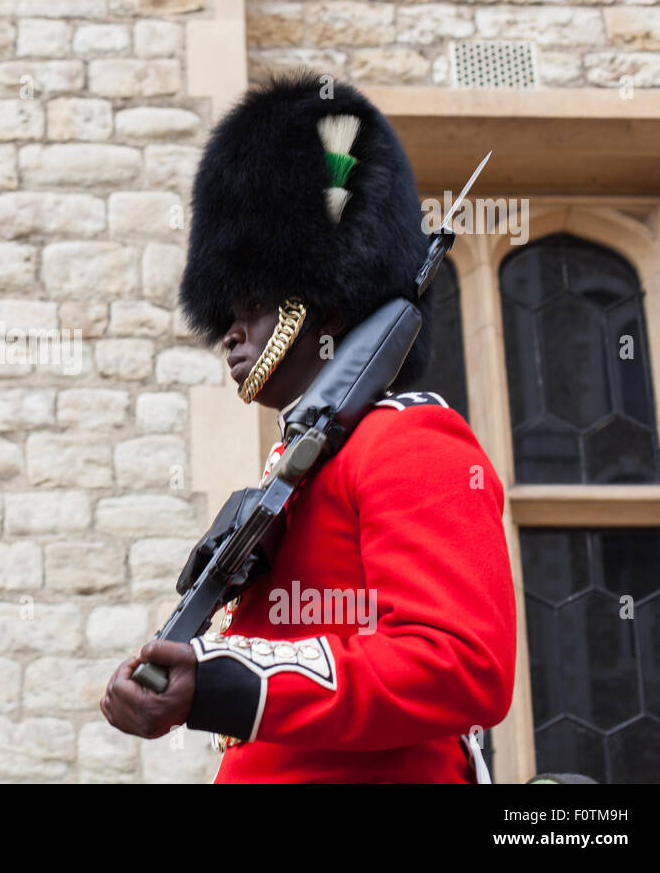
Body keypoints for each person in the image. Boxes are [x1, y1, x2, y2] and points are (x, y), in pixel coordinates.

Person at [99, 69, 517, 783]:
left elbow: (460, 663)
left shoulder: (410, 442)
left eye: (250, 308)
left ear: (322, 308)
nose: (228, 336)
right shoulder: (301, 466)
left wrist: (227, 680)